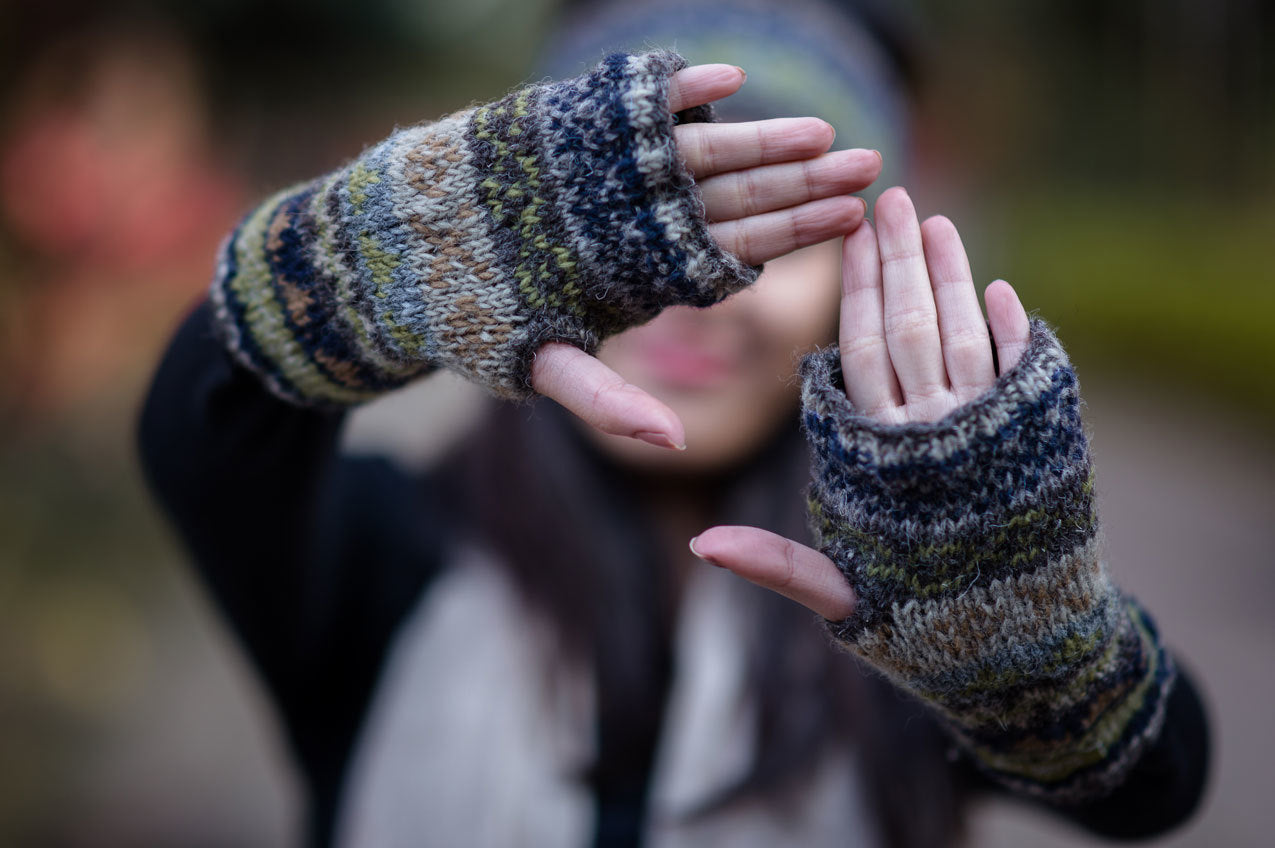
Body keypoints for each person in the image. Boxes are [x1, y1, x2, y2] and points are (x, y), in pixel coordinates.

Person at [138, 2, 1208, 846]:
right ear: (513, 263)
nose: (701, 293)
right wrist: (369, 263)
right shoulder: (382, 546)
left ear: (853, 277)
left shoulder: (921, 603)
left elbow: (1155, 785)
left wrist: (1035, 667)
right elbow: (202, 426)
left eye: (772, 228)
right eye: (653, 233)